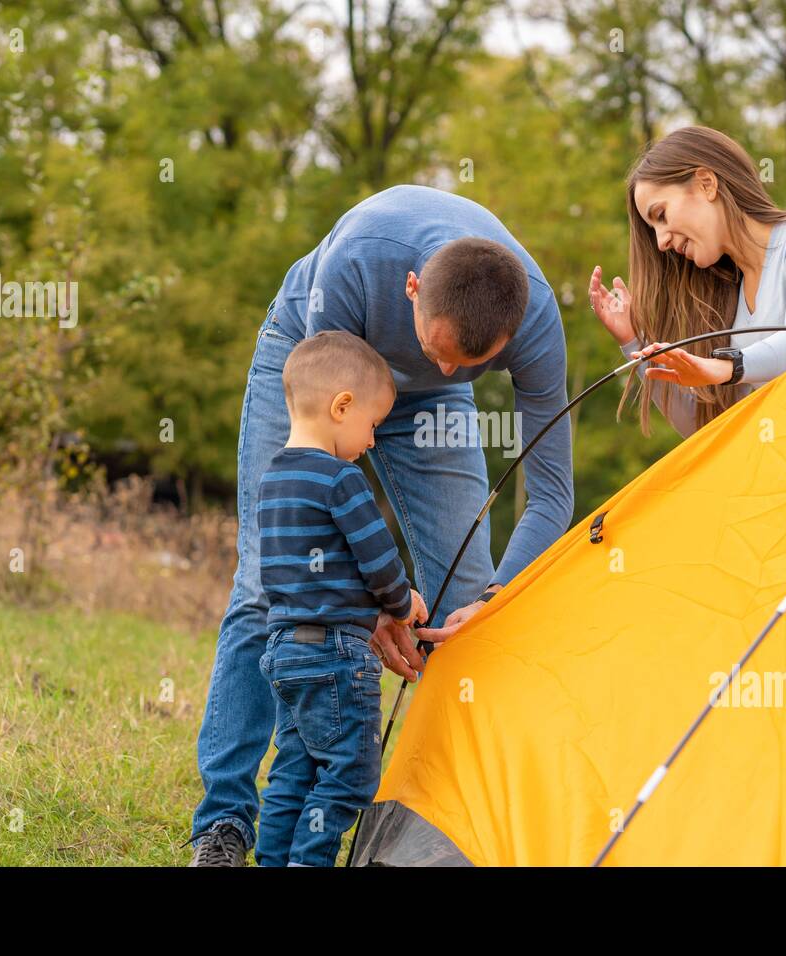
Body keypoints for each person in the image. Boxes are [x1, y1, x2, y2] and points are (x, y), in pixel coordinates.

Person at [190, 185, 574, 865]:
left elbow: (549, 496)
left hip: (431, 410)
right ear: (411, 288)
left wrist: (491, 601)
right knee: (267, 584)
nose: (450, 368)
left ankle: (451, 830)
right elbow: (311, 484)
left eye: (473, 363)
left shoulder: (534, 322)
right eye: (438, 349)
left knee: (468, 607)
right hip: (318, 363)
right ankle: (224, 825)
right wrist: (363, 601)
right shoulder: (360, 258)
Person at [589, 126, 786, 437]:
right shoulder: (731, 300)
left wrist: (724, 368)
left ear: (706, 184)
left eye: (661, 215)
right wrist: (633, 340)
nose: (661, 242)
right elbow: (710, 431)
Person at [253, 331, 428, 867]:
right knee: (350, 774)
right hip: (334, 658)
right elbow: (378, 559)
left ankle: (273, 859)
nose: (372, 440)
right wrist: (402, 605)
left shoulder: (272, 480)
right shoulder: (342, 479)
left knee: (293, 770)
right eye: (371, 425)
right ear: (341, 406)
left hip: (284, 651)